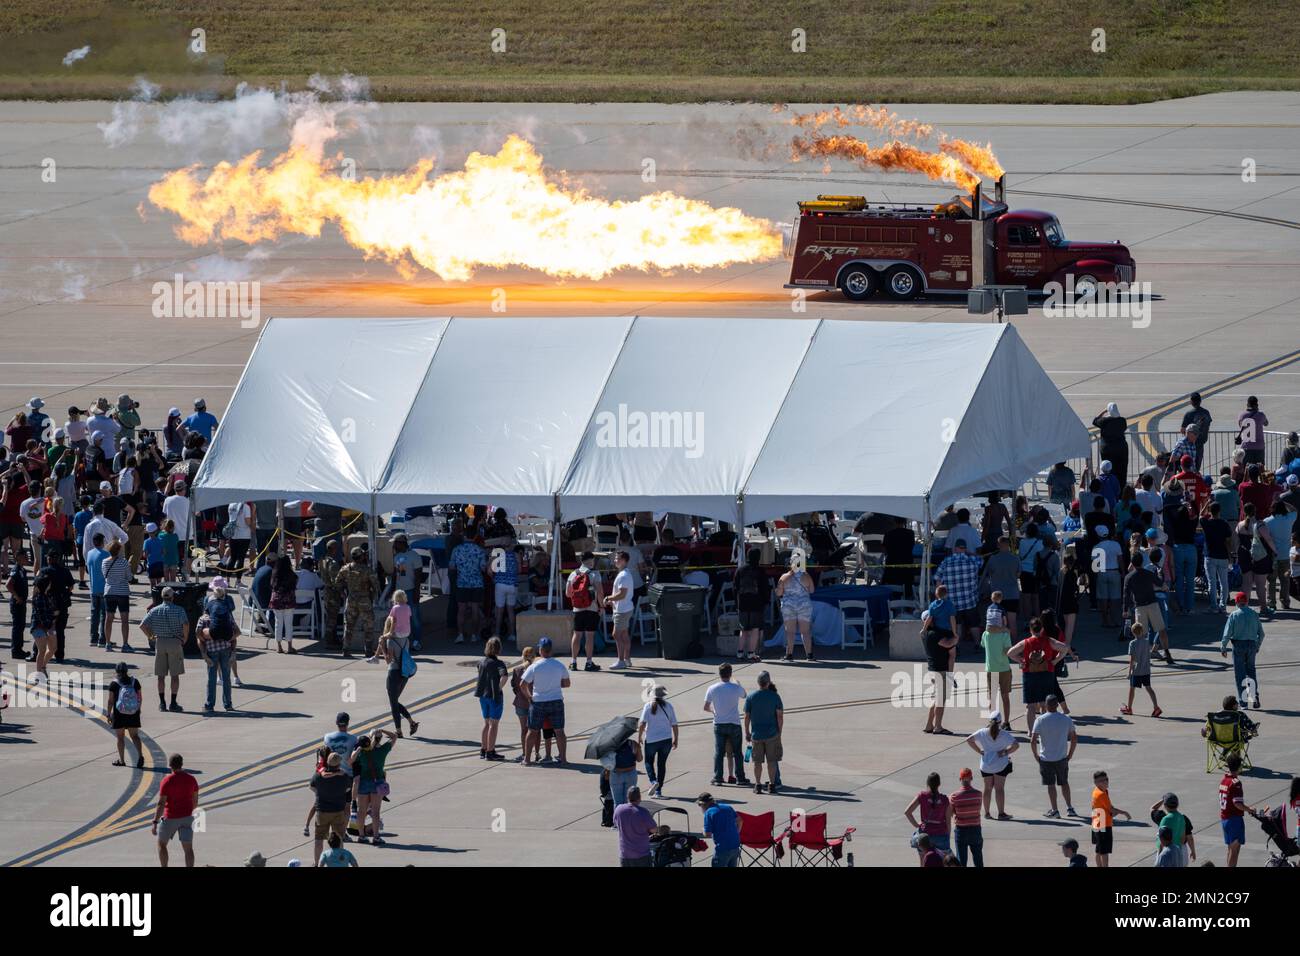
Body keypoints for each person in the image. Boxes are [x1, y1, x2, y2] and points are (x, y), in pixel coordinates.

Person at [1007, 618, 1070, 733]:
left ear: (1030, 629)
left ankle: (1031, 732)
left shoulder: (1025, 643)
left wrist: (1021, 660)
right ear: (1042, 629)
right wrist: (1056, 660)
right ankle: (1044, 730)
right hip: (1046, 674)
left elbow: (1010, 653)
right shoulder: (1049, 641)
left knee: (1030, 706)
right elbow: (1065, 648)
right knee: (1044, 704)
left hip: (1029, 675)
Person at [521, 637, 570, 765]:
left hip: (538, 702)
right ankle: (563, 759)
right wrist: (554, 684)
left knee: (532, 731)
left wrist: (529, 696)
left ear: (541, 650)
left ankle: (527, 759)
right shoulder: (559, 665)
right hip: (556, 701)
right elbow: (567, 684)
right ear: (551, 650)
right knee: (559, 731)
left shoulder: (535, 666)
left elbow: (522, 684)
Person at [139, 585, 189, 712]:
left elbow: (143, 625)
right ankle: (173, 702)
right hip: (174, 642)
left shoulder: (154, 610)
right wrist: (185, 638)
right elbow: (186, 624)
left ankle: (162, 703)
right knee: (175, 675)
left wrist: (151, 636)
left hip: (160, 642)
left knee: (160, 676)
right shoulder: (179, 610)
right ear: (172, 597)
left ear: (161, 597)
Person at [1030, 694, 1078, 819]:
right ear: (1057, 705)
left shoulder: (1040, 720)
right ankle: (1070, 808)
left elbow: (1033, 740)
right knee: (1064, 783)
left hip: (1046, 759)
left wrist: (1036, 756)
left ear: (1045, 705)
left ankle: (1055, 810)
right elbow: (1074, 738)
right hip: (1062, 758)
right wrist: (1070, 755)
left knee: (1051, 785)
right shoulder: (1066, 719)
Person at [920, 584, 959, 734]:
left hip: (933, 670)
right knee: (941, 700)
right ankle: (938, 726)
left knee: (936, 698)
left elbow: (930, 617)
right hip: (940, 670)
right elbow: (948, 644)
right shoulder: (935, 635)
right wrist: (956, 637)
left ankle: (929, 725)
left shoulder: (927, 634)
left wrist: (923, 629)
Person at [703, 663, 750, 787]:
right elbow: (744, 695)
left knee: (719, 752)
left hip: (719, 723)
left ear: (719, 674)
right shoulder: (735, 687)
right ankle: (740, 778)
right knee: (737, 752)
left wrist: (714, 711)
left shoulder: (712, 688)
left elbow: (706, 707)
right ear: (730, 674)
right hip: (734, 723)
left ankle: (718, 777)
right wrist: (738, 683)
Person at [381, 592, 419, 737]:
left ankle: (398, 730)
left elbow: (388, 660)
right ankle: (411, 722)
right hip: (404, 673)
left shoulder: (391, 641)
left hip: (393, 672)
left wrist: (383, 649)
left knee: (393, 703)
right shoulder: (406, 640)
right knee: (395, 701)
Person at [966, 712, 1018, 820]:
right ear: (1000, 722)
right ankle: (1001, 813)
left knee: (987, 788)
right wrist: (1005, 752)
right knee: (999, 789)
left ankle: (987, 813)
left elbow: (969, 740)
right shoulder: (1004, 734)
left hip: (986, 765)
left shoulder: (982, 732)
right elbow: (1016, 745)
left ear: (989, 721)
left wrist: (979, 750)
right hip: (1001, 765)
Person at [152, 753, 198, 867]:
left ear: (170, 765)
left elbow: (161, 803)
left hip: (170, 818)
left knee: (162, 844)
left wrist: (155, 822)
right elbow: (195, 801)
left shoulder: (167, 781)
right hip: (187, 817)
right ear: (182, 764)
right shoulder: (191, 779)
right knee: (188, 849)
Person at [1221, 591, 1265, 708]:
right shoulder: (1254, 614)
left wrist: (1223, 647)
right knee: (1251, 672)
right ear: (1247, 601)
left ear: (1236, 602)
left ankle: (1243, 702)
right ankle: (1254, 698)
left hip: (1238, 645)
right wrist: (1257, 646)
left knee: (1240, 674)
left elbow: (1227, 633)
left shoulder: (1234, 615)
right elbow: (1261, 634)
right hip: (1251, 645)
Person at [197, 582, 236, 713]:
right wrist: (231, 647)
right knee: (226, 678)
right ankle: (228, 704)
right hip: (225, 648)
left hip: (211, 650)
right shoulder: (227, 614)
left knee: (212, 679)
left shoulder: (204, 617)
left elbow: (198, 634)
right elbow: (235, 632)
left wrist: (204, 647)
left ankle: (209, 705)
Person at [353, 729, 396, 845]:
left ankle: (361, 835)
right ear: (380, 738)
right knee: (376, 812)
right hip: (377, 783)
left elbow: (351, 760)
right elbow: (394, 737)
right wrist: (382, 731)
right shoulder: (383, 750)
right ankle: (376, 837)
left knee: (361, 811)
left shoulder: (363, 751)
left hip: (363, 783)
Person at [744, 670, 784, 794]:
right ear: (768, 682)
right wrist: (779, 732)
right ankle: (772, 785)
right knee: (772, 761)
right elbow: (780, 716)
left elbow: (747, 716)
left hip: (756, 735)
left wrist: (747, 732)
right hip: (772, 734)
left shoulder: (751, 697)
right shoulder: (775, 696)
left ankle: (758, 784)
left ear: (758, 682)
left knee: (757, 762)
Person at [309, 752, 352, 866]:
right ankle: (340, 861)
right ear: (339, 764)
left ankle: (317, 863)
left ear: (327, 762)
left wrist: (321, 793)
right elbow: (348, 790)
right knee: (339, 838)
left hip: (322, 810)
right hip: (338, 811)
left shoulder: (319, 775)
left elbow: (311, 786)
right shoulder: (344, 776)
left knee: (319, 839)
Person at [337, 547, 379, 658]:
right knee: (368, 626)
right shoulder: (367, 570)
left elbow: (338, 581)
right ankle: (368, 650)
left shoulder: (346, 568)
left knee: (349, 625)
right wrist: (373, 597)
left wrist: (343, 592)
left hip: (351, 599)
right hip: (364, 600)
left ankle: (346, 649)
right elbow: (376, 586)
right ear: (361, 557)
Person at [638, 684, 679, 798]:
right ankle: (658, 791)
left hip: (651, 740)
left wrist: (639, 736)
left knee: (648, 762)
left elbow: (642, 723)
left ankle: (653, 781)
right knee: (661, 765)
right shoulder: (669, 706)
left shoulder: (648, 706)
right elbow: (674, 725)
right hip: (666, 740)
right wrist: (676, 739)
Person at [565, 551, 603, 672]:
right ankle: (589, 662)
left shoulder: (573, 574)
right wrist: (601, 606)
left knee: (577, 634)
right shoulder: (595, 574)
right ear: (591, 560)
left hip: (577, 609)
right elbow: (600, 592)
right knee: (590, 636)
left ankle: (573, 662)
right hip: (591, 608)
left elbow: (567, 593)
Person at [775, 551, 815, 662]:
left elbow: (778, 593)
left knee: (790, 632)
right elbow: (812, 590)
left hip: (789, 606)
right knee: (805, 631)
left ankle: (789, 655)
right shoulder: (806, 576)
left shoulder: (784, 577)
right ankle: (809, 655)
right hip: (804, 606)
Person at [449, 532, 487, 644]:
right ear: (474, 537)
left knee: (461, 610)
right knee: (475, 609)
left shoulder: (456, 549)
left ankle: (460, 634)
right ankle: (474, 635)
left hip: (462, 583)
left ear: (464, 537)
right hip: (477, 583)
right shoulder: (480, 550)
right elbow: (484, 568)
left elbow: (452, 567)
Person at [733, 548, 769, 661]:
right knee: (755, 629)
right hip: (756, 603)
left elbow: (735, 588)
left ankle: (739, 652)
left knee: (743, 630)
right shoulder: (760, 571)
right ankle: (751, 653)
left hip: (743, 603)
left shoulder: (740, 570)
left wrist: (736, 603)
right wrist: (765, 601)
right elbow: (765, 588)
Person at [475, 636, 508, 760]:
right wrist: (499, 688)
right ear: (499, 649)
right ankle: (490, 751)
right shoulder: (499, 663)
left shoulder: (481, 662)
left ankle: (483, 749)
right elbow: (504, 677)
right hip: (494, 696)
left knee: (486, 723)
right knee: (494, 724)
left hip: (482, 695)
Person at [1089, 770, 1131, 867]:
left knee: (1099, 849)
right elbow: (1111, 809)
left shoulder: (1098, 791)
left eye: (1106, 779)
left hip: (1096, 822)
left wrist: (1111, 812)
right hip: (1103, 824)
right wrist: (1124, 813)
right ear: (1095, 782)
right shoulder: (1101, 794)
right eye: (1101, 781)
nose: (1105, 782)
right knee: (1104, 851)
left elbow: (1106, 807)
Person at [107, 661, 145, 768]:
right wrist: (138, 709)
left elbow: (110, 701)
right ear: (127, 671)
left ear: (116, 671)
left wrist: (108, 714)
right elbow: (139, 697)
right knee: (135, 736)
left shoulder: (114, 684)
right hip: (133, 713)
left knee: (120, 738)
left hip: (119, 714)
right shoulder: (135, 682)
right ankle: (140, 756)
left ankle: (122, 760)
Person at [1120, 621, 1161, 718]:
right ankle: (1156, 707)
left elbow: (1132, 659)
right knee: (1149, 688)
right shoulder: (1147, 642)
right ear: (1142, 631)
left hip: (1136, 671)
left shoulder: (1132, 643)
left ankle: (1129, 708)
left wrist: (1129, 672)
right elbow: (1150, 651)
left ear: (1133, 633)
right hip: (1146, 670)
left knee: (1132, 689)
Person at [905, 772, 952, 856]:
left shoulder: (922, 796)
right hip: (940, 835)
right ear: (939, 784)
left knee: (924, 862)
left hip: (924, 836)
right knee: (944, 862)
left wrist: (917, 825)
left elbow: (907, 812)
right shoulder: (945, 800)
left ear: (927, 783)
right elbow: (948, 822)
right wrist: (947, 836)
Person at [603, 550, 636, 670]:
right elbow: (622, 594)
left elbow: (622, 594)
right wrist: (613, 601)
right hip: (625, 608)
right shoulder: (624, 574)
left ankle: (621, 660)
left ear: (623, 561)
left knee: (616, 635)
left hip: (622, 610)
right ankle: (626, 659)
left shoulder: (623, 575)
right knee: (624, 635)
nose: (615, 560)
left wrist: (608, 598)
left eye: (617, 558)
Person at [1219, 753, 1253, 867]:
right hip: (1234, 820)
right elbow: (1237, 803)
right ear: (1239, 767)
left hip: (1225, 818)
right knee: (1235, 851)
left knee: (1230, 848)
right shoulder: (1236, 783)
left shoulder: (1224, 780)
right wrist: (1249, 809)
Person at [1263, 500, 1296, 611]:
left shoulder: (1267, 521)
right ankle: (1285, 602)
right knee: (1285, 581)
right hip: (1286, 555)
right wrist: (1284, 503)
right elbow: (1294, 510)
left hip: (1273, 556)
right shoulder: (1289, 519)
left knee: (1271, 581)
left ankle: (1271, 603)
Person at [612, 786, 656, 867]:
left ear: (628, 797)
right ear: (639, 797)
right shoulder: (643, 812)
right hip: (641, 854)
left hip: (625, 854)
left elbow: (616, 823)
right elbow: (653, 830)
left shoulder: (619, 809)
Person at [950, 768, 985, 867]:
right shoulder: (978, 794)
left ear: (960, 779)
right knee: (978, 860)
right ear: (971, 778)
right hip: (975, 829)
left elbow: (952, 813)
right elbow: (977, 809)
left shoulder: (954, 796)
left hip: (961, 831)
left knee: (961, 861)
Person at [1151, 792, 1196, 865]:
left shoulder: (1164, 818)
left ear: (1165, 805)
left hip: (1166, 851)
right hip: (1178, 851)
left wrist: (1159, 857)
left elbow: (1161, 840)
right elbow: (1184, 838)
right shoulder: (1182, 818)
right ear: (1177, 805)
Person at [698, 792, 741, 867]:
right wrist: (737, 832)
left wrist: (703, 830)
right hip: (735, 846)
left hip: (722, 849)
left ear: (704, 804)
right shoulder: (728, 807)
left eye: (699, 805)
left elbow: (708, 834)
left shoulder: (709, 812)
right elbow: (740, 820)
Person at [1092, 526, 1123, 627]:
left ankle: (1105, 621)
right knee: (1115, 598)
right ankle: (1115, 620)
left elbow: (1094, 566)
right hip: (1114, 571)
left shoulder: (1096, 547)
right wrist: (1122, 572)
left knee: (1103, 598)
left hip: (1102, 572)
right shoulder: (1116, 544)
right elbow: (1120, 560)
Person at [268, 554, 299, 654]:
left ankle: (279, 646)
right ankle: (289, 646)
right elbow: (295, 585)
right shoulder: (292, 575)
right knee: (289, 623)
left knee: (278, 623)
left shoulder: (274, 574)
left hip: (276, 600)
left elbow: (272, 586)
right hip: (288, 600)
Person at [511, 645, 537, 763]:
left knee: (524, 730)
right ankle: (537, 753)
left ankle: (524, 753)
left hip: (521, 702)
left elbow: (514, 687)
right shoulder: (536, 669)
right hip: (534, 702)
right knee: (536, 729)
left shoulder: (517, 670)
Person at [1093, 402, 1129, 485]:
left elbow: (1095, 421)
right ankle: (1121, 488)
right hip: (1121, 448)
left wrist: (1103, 412)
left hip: (1107, 449)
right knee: (1122, 469)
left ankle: (1109, 485)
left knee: (1109, 469)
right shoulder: (1122, 420)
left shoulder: (1104, 421)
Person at [606, 734, 641, 806]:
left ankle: (618, 816)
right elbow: (639, 759)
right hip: (631, 773)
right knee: (629, 802)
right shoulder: (633, 744)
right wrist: (639, 748)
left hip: (616, 774)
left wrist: (607, 772)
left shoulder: (610, 746)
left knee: (617, 803)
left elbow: (607, 763)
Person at [1237, 395, 1268, 466]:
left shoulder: (1242, 415)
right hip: (1259, 446)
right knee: (1260, 470)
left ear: (1247, 404)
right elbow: (1266, 423)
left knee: (1246, 470)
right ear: (1257, 405)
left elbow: (1240, 426)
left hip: (1246, 447)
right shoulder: (1261, 415)